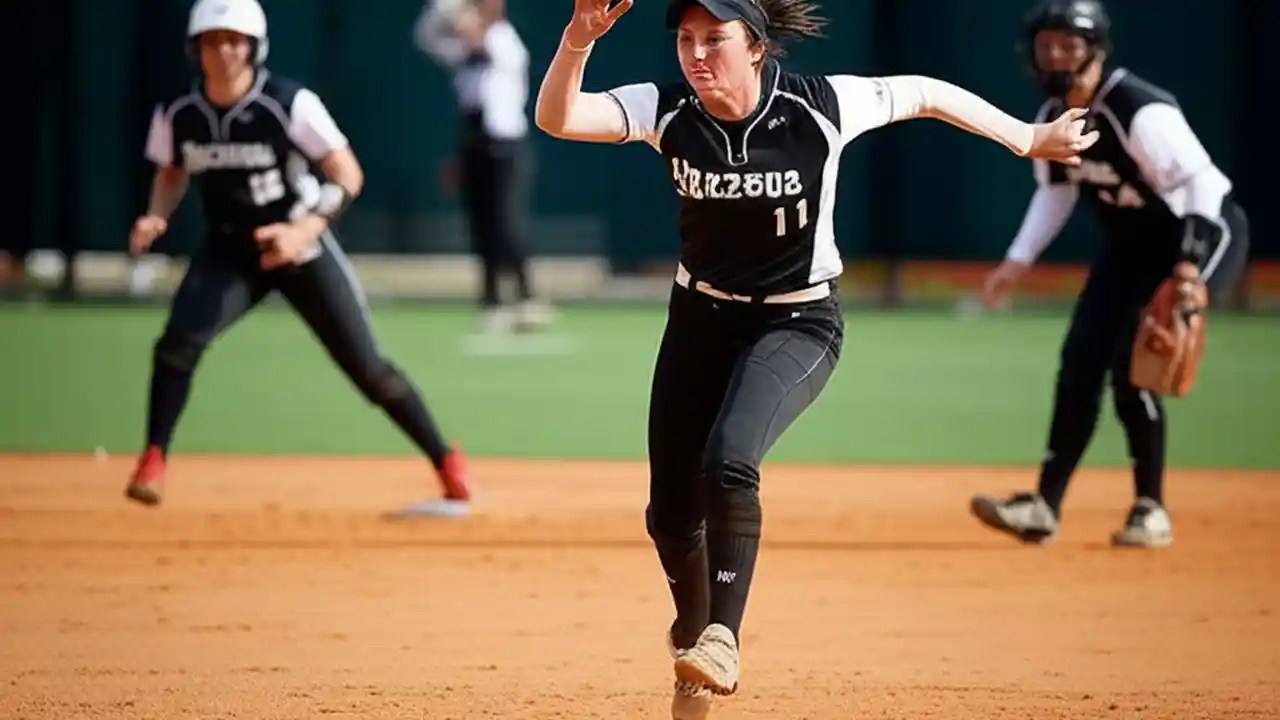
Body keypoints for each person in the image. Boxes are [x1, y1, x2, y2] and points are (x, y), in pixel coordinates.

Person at [534, 0, 1096, 715]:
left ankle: (721, 640)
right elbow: (559, 118)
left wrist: (1025, 139)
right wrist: (578, 38)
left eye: (716, 39)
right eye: (685, 38)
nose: (697, 54)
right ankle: (693, 625)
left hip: (797, 322)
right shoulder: (667, 110)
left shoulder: (820, 105)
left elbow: (926, 92)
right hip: (699, 318)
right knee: (671, 513)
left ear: (758, 46)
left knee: (730, 460)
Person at [125, 0, 473, 517]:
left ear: (255, 47)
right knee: (177, 344)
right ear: (194, 47)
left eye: (234, 40)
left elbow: (347, 174)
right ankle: (153, 459)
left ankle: (447, 461)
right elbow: (171, 171)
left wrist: (302, 229)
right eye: (211, 40)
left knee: (369, 370)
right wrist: (156, 214)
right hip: (229, 250)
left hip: (300, 246)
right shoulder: (179, 113)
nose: (223, 51)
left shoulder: (288, 103)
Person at [970, 0, 1250, 549]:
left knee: (1133, 366)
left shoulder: (1134, 107)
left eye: (1068, 44)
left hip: (1198, 237)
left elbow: (1205, 188)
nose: (1055, 54)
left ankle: (1151, 509)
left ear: (1095, 48)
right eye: (1045, 44)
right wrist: (1016, 263)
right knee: (1080, 358)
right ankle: (1043, 507)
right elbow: (1055, 192)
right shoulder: (1056, 110)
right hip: (1129, 247)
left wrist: (1189, 270)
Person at [415, 0, 553, 334]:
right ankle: (492, 300)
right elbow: (426, 37)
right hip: (474, 144)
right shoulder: (464, 55)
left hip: (506, 146)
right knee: (480, 223)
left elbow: (479, 37)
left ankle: (527, 297)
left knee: (506, 221)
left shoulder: (505, 41)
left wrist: (468, 20)